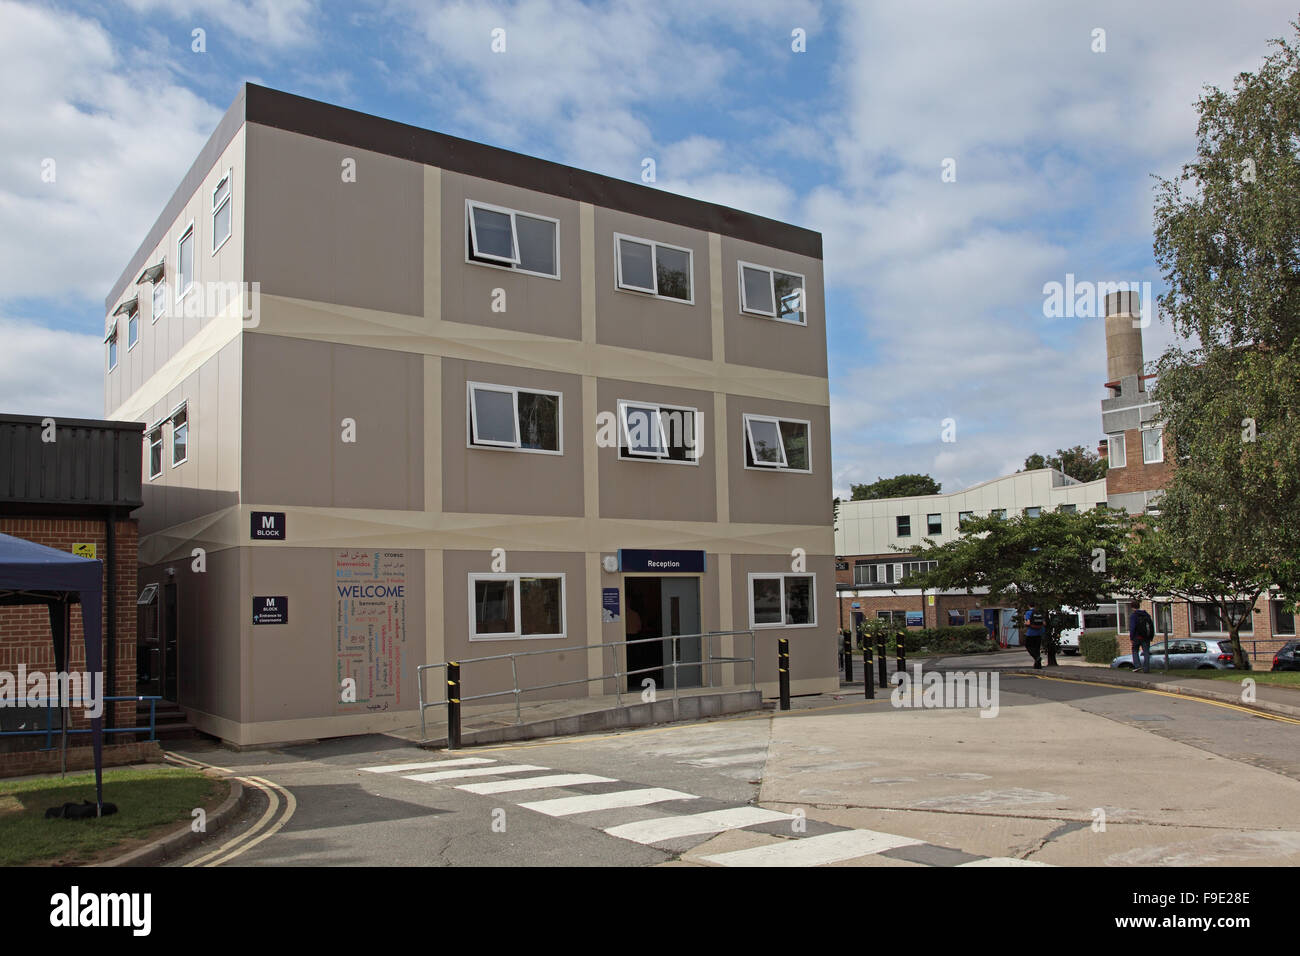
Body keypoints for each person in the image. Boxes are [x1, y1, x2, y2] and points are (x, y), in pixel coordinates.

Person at [1129, 605, 1155, 672]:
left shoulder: (1133, 616)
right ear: (1139, 606)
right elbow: (1151, 626)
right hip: (1146, 637)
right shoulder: (1146, 615)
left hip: (1137, 637)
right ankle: (1146, 669)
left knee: (1135, 651)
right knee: (1146, 652)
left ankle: (1137, 666)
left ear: (1132, 607)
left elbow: (1132, 627)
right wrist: (1151, 636)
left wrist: (1131, 637)